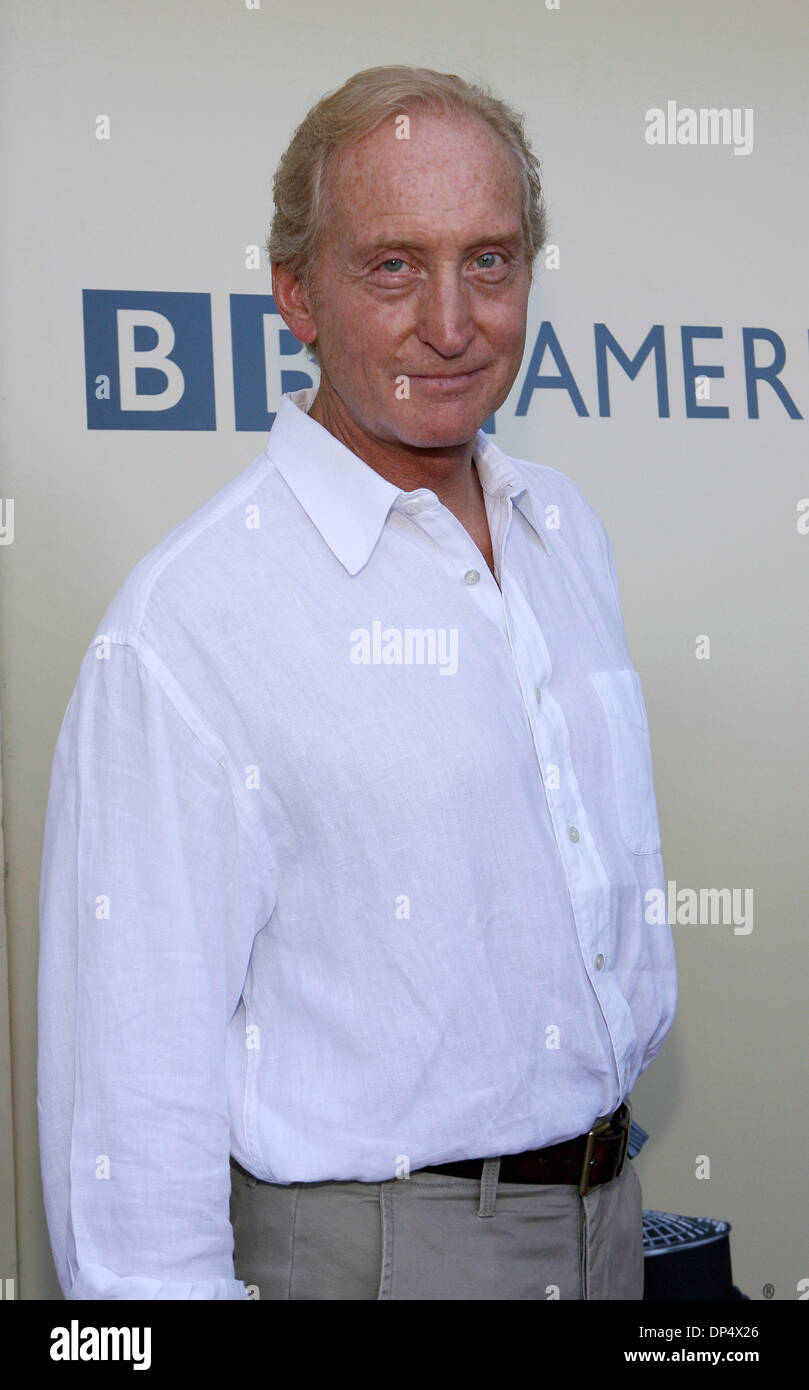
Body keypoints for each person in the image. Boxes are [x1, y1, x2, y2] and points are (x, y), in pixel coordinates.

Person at [37, 64, 677, 1301]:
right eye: (393, 265)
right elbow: (127, 1119)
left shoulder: (562, 530)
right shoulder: (191, 623)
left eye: (489, 261)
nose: (452, 321)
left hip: (610, 1225)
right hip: (382, 1262)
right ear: (296, 295)